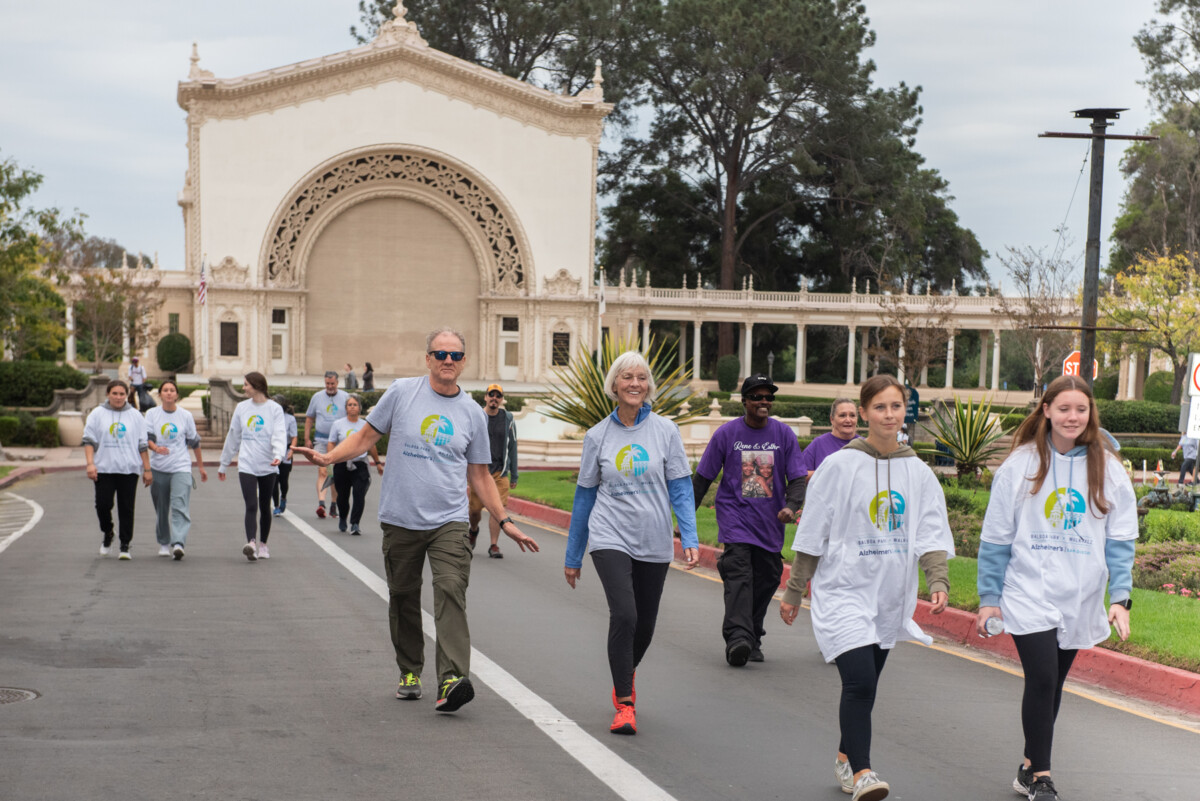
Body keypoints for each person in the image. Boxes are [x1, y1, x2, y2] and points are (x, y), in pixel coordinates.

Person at [296, 327, 539, 713]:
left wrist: (504, 520)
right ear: (427, 358)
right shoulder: (402, 393)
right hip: (401, 517)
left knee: (450, 590)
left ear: (464, 362)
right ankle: (410, 669)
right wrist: (329, 459)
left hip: (450, 519)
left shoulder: (473, 414)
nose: (447, 361)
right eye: (440, 354)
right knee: (403, 596)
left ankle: (452, 679)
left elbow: (479, 474)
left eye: (455, 355)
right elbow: (365, 438)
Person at [779, 374, 953, 801]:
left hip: (889, 596)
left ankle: (845, 756)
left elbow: (930, 531)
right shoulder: (839, 466)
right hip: (843, 591)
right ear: (863, 413)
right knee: (859, 684)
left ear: (904, 412)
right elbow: (813, 532)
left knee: (867, 684)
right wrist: (794, 589)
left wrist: (938, 580)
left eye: (896, 407)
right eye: (880, 407)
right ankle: (862, 773)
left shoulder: (918, 472)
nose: (889, 415)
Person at [976, 375, 1136, 801]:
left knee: (1055, 682)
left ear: (1090, 413)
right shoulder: (1020, 465)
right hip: (1027, 589)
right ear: (1046, 409)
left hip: (1080, 593)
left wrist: (1119, 599)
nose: (1072, 417)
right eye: (1063, 408)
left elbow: (1121, 540)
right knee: (1043, 679)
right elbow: (996, 539)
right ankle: (1042, 777)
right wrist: (989, 599)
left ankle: (1029, 766)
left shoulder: (1109, 468)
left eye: (1080, 409)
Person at [564, 351, 700, 736]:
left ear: (649, 386)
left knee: (645, 626)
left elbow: (680, 487)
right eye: (627, 377)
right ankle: (625, 702)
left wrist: (688, 535)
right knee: (624, 614)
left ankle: (622, 674)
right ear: (614, 385)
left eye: (641, 377)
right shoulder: (598, 436)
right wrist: (574, 555)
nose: (635, 384)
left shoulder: (665, 431)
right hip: (610, 534)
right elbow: (585, 497)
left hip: (654, 537)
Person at [693, 374, 805, 666]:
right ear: (744, 401)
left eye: (768, 397)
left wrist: (791, 507)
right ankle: (737, 638)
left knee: (767, 577)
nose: (763, 402)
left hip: (770, 524)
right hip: (736, 519)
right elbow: (703, 478)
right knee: (739, 575)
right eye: (757, 397)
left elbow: (796, 479)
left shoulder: (784, 435)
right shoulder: (726, 434)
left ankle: (752, 634)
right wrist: (686, 518)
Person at [218, 372, 288, 561]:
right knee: (251, 504)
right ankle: (251, 543)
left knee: (265, 506)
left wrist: (277, 455)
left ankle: (263, 544)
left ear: (256, 386)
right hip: (247, 464)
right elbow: (233, 436)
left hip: (268, 465)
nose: (243, 388)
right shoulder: (242, 408)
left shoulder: (274, 409)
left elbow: (279, 434)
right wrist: (224, 464)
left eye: (246, 384)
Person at [83, 380, 152, 559]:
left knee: (126, 508)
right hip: (104, 468)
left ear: (126, 395)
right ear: (108, 394)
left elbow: (142, 445)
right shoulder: (97, 414)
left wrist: (147, 469)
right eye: (115, 393)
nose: (118, 397)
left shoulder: (136, 416)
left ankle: (125, 544)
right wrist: (90, 463)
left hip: (128, 469)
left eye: (122, 394)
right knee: (102, 505)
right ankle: (108, 532)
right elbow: (89, 441)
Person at [144, 380, 208, 560]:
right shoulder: (152, 414)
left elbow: (194, 442)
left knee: (180, 505)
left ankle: (178, 543)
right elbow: (147, 438)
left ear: (177, 394)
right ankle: (164, 542)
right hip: (158, 467)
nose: (169, 393)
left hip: (180, 466)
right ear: (160, 394)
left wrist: (201, 467)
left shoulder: (185, 416)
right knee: (161, 507)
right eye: (165, 390)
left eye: (172, 390)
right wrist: (156, 449)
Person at [467, 383, 519, 557]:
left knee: (497, 510)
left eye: (498, 396)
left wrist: (514, 474)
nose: (494, 399)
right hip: (480, 472)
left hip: (500, 472)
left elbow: (513, 446)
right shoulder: (478, 416)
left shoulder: (508, 419)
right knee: (474, 510)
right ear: (486, 397)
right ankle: (473, 530)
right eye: (491, 395)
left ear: (502, 399)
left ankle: (494, 545)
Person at [328, 394, 384, 534]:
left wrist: (377, 462)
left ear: (359, 408)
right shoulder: (338, 424)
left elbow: (371, 445)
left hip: (360, 465)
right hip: (342, 464)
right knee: (342, 496)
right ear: (346, 408)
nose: (352, 407)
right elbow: (331, 442)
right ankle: (342, 516)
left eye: (355, 405)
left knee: (359, 495)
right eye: (349, 405)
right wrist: (330, 459)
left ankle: (355, 523)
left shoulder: (365, 425)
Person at [304, 371, 349, 519]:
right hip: (321, 441)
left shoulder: (345, 398)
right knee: (323, 471)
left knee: (334, 474)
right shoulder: (317, 397)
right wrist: (307, 438)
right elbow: (310, 418)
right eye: (327, 384)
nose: (329, 386)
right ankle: (321, 503)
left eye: (332, 384)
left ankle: (334, 503)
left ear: (337, 383)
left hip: (339, 443)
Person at [797, 397, 859, 480]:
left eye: (852, 415)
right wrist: (828, 473)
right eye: (842, 415)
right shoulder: (818, 444)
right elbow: (800, 474)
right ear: (832, 419)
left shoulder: (865, 445)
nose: (848, 420)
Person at [271, 394, 298, 516]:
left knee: (283, 480)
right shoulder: (269, 417)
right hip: (273, 451)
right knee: (274, 480)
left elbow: (294, 437)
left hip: (286, 451)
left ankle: (284, 497)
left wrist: (292, 451)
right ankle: (276, 505)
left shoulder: (290, 419)